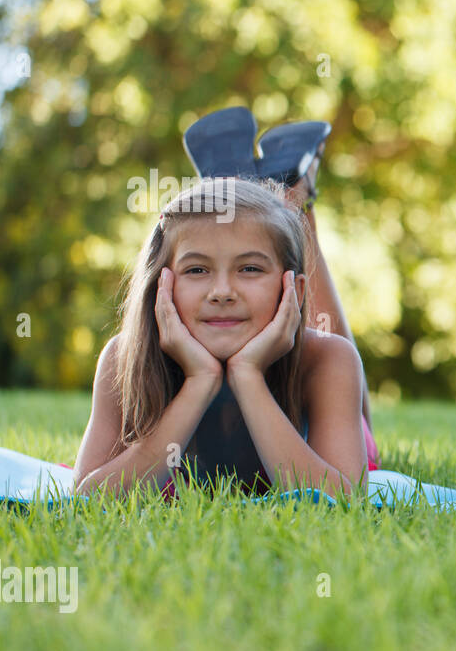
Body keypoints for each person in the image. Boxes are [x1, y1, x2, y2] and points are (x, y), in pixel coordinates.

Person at [72, 177, 373, 498]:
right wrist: (200, 380)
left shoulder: (327, 360)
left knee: (347, 387)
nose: (222, 293)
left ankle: (298, 198)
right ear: (161, 285)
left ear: (292, 290)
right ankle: (264, 188)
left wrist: (248, 375)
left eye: (250, 269)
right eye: (197, 270)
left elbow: (343, 497)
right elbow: (88, 495)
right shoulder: (123, 357)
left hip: (332, 424)